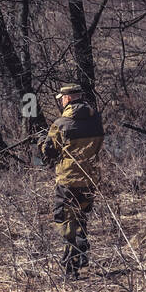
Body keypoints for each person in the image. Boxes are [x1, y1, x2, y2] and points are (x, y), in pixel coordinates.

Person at [38, 83, 104, 279]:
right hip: (90, 178)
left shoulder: (61, 124)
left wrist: (42, 140)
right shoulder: (96, 121)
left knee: (67, 222)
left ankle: (71, 269)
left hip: (68, 180)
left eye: (62, 98)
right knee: (82, 219)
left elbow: (48, 153)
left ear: (67, 99)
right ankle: (83, 263)